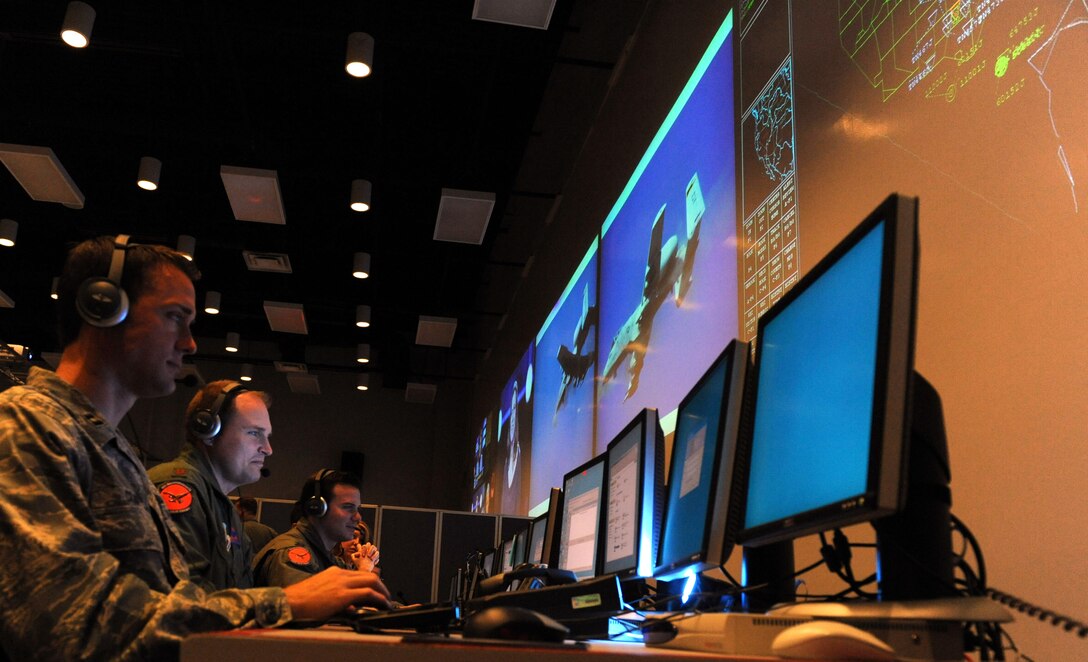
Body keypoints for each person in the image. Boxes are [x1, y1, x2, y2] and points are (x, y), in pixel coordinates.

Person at [0, 236, 390, 661]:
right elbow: (69, 625)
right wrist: (287, 603)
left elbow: (167, 601)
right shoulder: (26, 425)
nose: (189, 343)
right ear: (104, 307)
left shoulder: (112, 452)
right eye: (174, 317)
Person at [147, 381, 271, 591]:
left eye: (266, 436)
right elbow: (184, 598)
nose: (267, 449)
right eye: (254, 433)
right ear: (209, 431)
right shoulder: (179, 487)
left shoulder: (224, 508)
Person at [255, 470, 366, 587]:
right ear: (317, 508)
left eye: (358, 509)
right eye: (348, 507)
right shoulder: (291, 554)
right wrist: (364, 572)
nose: (358, 517)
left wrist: (363, 566)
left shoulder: (323, 554)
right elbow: (312, 598)